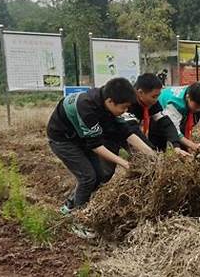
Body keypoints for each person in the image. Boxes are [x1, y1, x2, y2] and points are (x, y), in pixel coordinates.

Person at [47, 78, 155, 214]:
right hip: (63, 139)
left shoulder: (108, 100)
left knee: (99, 175)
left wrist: (152, 154)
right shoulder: (87, 107)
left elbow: (126, 132)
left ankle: (70, 206)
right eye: (123, 107)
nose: (126, 110)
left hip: (82, 137)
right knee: (87, 177)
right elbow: (96, 146)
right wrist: (125, 163)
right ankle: (78, 218)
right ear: (110, 101)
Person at [121, 73, 191, 157]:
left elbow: (165, 122)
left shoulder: (151, 102)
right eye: (154, 96)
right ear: (140, 92)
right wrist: (151, 151)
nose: (156, 100)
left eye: (158, 96)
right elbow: (133, 131)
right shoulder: (126, 102)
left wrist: (176, 146)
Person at [159, 82, 200, 154]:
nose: (198, 109)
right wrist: (192, 145)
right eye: (196, 106)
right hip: (160, 114)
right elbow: (173, 131)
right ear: (187, 97)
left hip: (182, 112)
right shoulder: (175, 104)